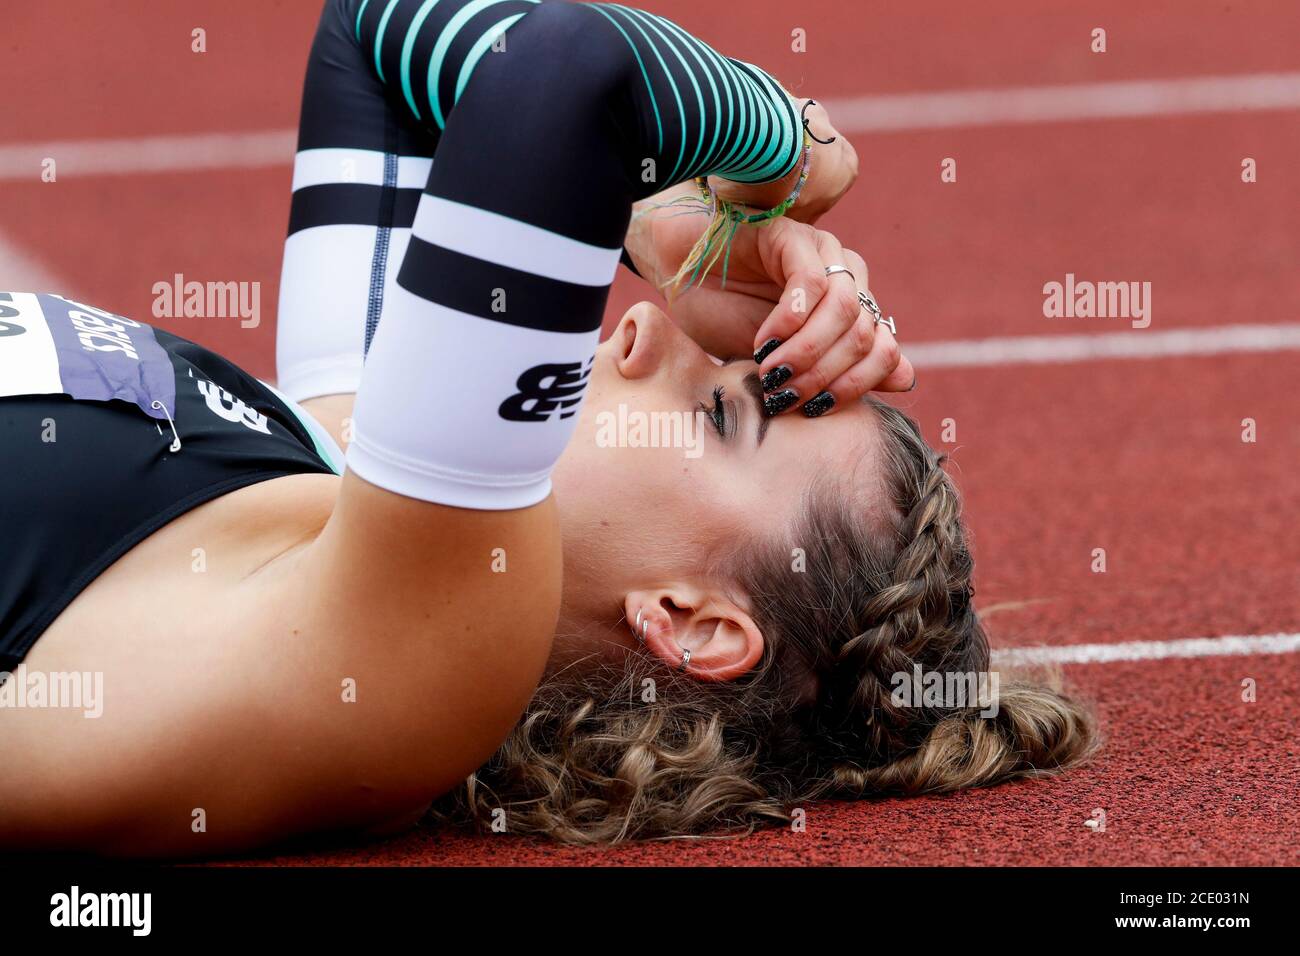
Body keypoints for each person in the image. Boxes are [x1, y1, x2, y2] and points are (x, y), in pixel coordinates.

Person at [0, 0, 1095, 856]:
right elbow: (377, 37)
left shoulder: (413, 669)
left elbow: (574, 71)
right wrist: (675, 240)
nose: (643, 333)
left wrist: (788, 159)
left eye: (719, 410)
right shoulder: (345, 455)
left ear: (691, 622)